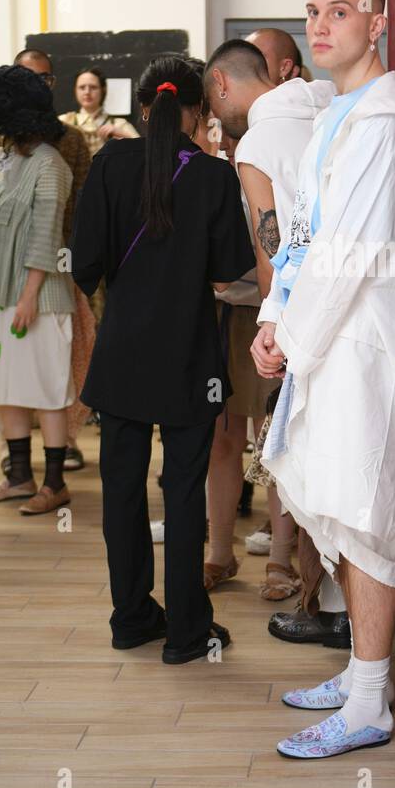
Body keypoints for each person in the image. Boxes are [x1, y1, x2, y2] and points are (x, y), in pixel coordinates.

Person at [251, 0, 395, 758]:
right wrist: (272, 319)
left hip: (366, 352)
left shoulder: (388, 126)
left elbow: (352, 255)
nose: (319, 26)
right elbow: (301, 238)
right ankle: (363, 676)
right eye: (311, 13)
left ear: (379, 21)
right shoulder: (337, 119)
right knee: (339, 503)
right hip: (328, 348)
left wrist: (292, 337)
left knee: (370, 516)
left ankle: (367, 703)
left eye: (339, 10)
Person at [69, 55, 255, 663]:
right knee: (183, 491)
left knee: (121, 489)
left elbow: (88, 263)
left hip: (121, 355)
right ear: (199, 109)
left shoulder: (107, 165)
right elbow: (230, 273)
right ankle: (186, 633)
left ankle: (130, 618)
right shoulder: (213, 176)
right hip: (189, 357)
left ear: (143, 107)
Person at [207, 37, 351, 635]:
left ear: (220, 86)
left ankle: (324, 609)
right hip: (349, 310)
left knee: (302, 460)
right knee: (334, 461)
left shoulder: (261, 140)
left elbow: (275, 249)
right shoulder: (326, 111)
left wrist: (274, 327)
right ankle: (334, 605)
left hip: (300, 316)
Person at [0, 66, 76, 515]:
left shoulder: (50, 163)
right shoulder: (2, 158)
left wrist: (28, 296)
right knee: (7, 386)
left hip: (36, 296)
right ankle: (19, 476)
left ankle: (55, 484)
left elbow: (46, 236)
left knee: (46, 389)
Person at [14, 47, 93, 470]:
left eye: (45, 78)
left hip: (59, 269)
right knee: (14, 362)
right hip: (6, 275)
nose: (37, 85)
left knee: (61, 360)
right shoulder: (1, 138)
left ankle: (63, 446)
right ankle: (19, 458)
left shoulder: (70, 139)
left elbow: (81, 208)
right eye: (28, 76)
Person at [60, 67, 140, 156]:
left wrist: (124, 135)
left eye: (93, 87)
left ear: (103, 90)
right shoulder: (64, 121)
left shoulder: (119, 124)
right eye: (82, 87)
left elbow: (144, 151)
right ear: (75, 90)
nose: (87, 92)